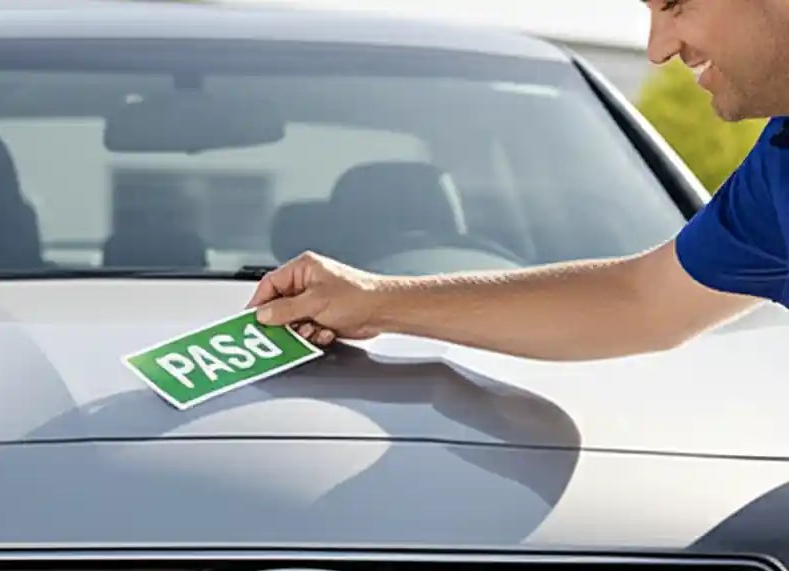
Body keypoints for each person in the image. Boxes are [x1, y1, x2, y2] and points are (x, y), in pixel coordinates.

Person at [246, 0, 789, 362]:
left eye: (676, 4)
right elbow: (641, 299)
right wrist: (375, 299)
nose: (658, 48)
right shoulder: (778, 166)